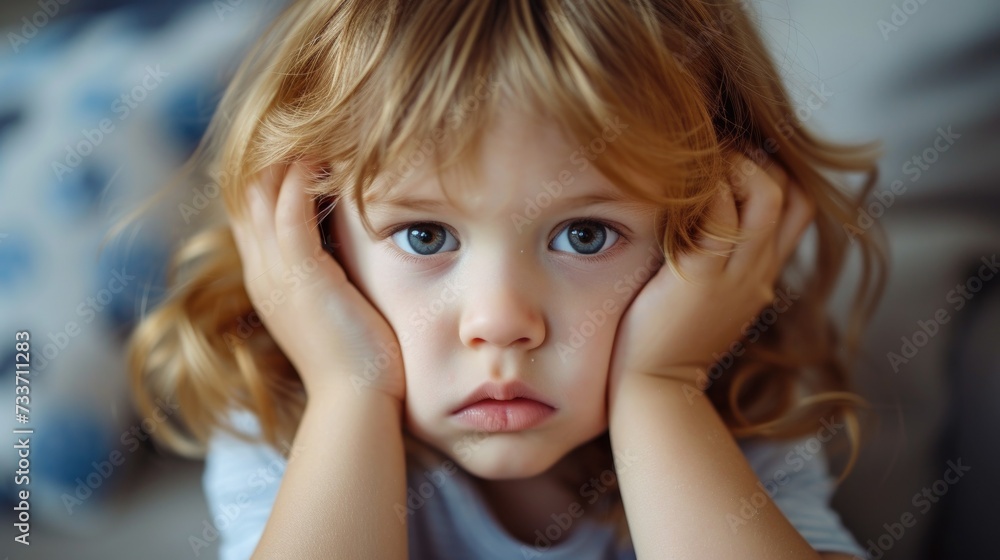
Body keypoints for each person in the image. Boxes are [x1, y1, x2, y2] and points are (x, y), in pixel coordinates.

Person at [123, 1, 885, 558]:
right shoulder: (281, 413)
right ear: (313, 243)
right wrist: (349, 391)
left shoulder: (744, 407)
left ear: (711, 236)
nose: (500, 321)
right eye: (425, 235)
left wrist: (664, 385)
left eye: (585, 235)